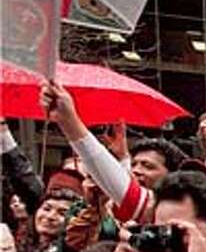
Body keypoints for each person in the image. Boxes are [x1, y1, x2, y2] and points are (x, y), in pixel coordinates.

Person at [41, 83, 185, 224]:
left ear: (171, 175)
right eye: (134, 164)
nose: (136, 170)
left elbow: (127, 191)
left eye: (148, 166)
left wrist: (69, 121)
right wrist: (122, 158)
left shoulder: (170, 213)